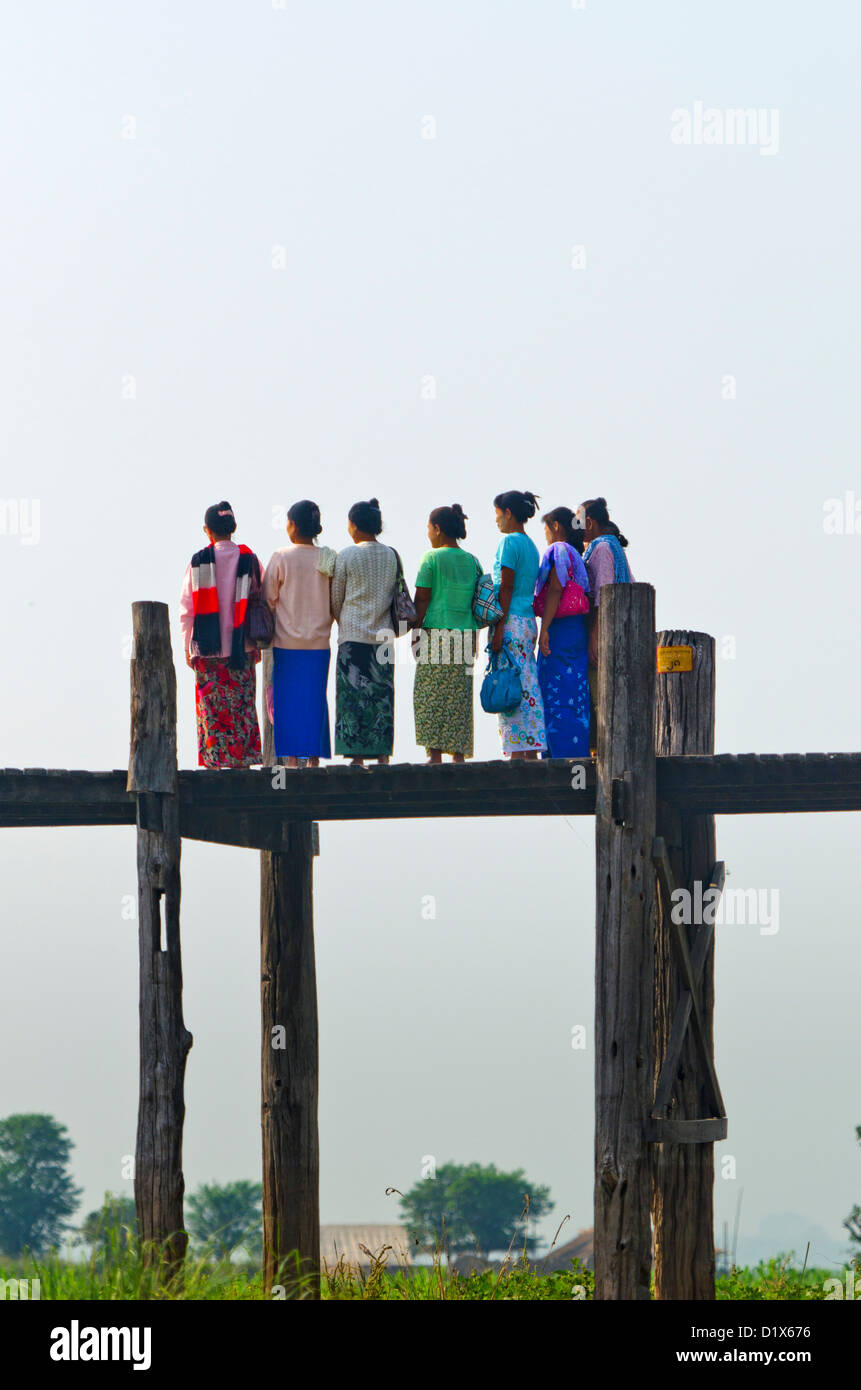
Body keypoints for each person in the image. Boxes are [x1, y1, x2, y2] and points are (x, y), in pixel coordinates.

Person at [179, 501, 263, 769]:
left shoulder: (198, 561)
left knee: (213, 714)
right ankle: (244, 767)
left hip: (208, 649)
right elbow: (263, 599)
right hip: (242, 648)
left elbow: (186, 610)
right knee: (242, 711)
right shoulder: (249, 559)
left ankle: (216, 768)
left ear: (207, 530)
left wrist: (187, 648)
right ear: (233, 528)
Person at [263, 500, 336, 768]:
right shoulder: (328, 556)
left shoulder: (281, 556)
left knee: (290, 701)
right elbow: (335, 599)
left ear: (292, 525)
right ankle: (314, 759)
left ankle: (293, 761)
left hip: (286, 641)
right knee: (315, 698)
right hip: (319, 641)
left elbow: (268, 599)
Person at [412, 504, 482, 764]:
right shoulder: (472, 561)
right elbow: (476, 603)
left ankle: (435, 754)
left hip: (436, 635)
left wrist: (415, 632)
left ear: (437, 529)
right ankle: (459, 755)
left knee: (430, 695)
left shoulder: (430, 558)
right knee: (459, 698)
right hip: (464, 636)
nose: (428, 534)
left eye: (429, 528)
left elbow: (421, 598)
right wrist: (475, 638)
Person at [331, 498, 398, 765]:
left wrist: (344, 621)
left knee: (352, 697)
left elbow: (336, 598)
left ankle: (356, 756)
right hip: (384, 638)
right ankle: (382, 755)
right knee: (382, 696)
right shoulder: (392, 554)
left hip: (353, 636)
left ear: (355, 525)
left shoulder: (346, 555)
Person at [490, 490, 547, 759]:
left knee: (509, 683)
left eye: (498, 514)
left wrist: (499, 626)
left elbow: (507, 586)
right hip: (527, 622)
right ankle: (531, 749)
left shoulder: (508, 543)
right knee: (526, 680)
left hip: (510, 620)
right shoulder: (531, 545)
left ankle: (516, 751)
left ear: (508, 513)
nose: (497, 520)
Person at [576, 497, 634, 754]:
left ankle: (599, 752)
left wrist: (593, 636)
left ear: (589, 522)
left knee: (598, 694)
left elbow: (602, 595)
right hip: (623, 633)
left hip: (606, 634)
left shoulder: (599, 548)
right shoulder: (614, 546)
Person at [535, 507, 591, 758]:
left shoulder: (558, 550)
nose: (545, 534)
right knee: (574, 693)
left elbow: (556, 589)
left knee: (554, 693)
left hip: (560, 628)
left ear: (556, 526)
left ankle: (557, 758)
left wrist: (544, 628)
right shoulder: (576, 555)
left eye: (546, 528)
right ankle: (576, 760)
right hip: (577, 629)